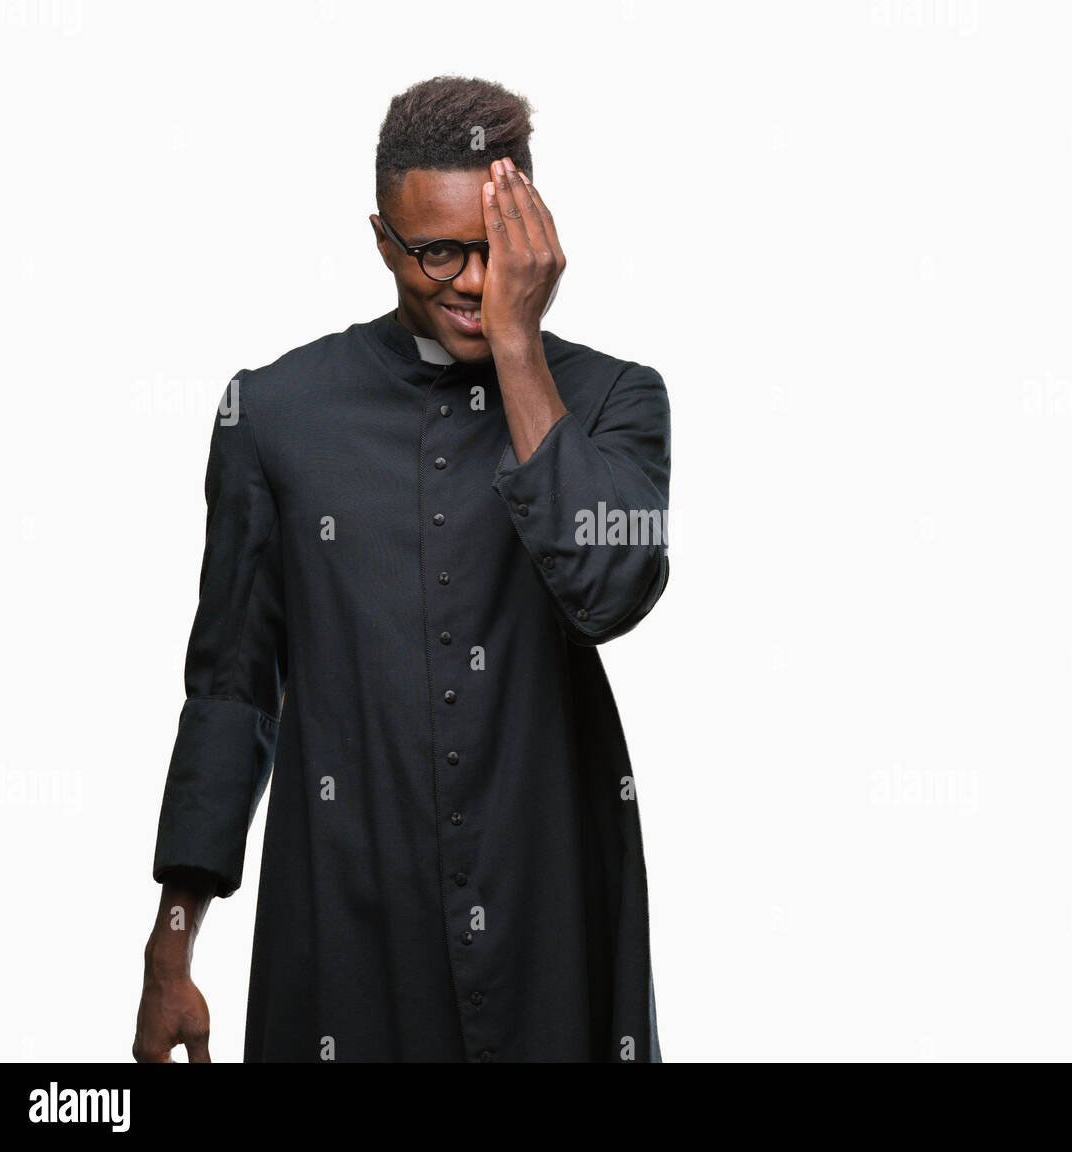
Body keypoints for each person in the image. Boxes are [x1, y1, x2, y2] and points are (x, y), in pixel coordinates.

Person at [133, 75, 670, 1063]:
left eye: (493, 251)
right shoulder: (276, 412)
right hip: (346, 931)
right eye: (437, 253)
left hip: (548, 929)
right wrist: (172, 950)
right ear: (382, 240)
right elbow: (229, 694)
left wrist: (517, 345)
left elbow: (608, 592)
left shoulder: (612, 402)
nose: (470, 282)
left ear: (535, 237)